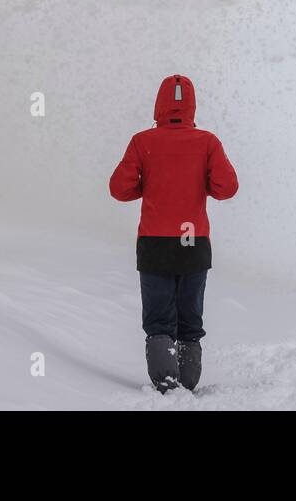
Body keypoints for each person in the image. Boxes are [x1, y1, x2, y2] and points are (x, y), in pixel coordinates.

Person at [109, 74, 238, 393]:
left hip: (154, 243)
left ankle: (165, 380)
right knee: (189, 317)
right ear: (192, 106)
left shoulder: (143, 141)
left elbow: (119, 189)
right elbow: (227, 188)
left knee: (158, 316)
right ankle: (189, 380)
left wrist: (148, 185)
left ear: (159, 105)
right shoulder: (207, 142)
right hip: (192, 241)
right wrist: (199, 183)